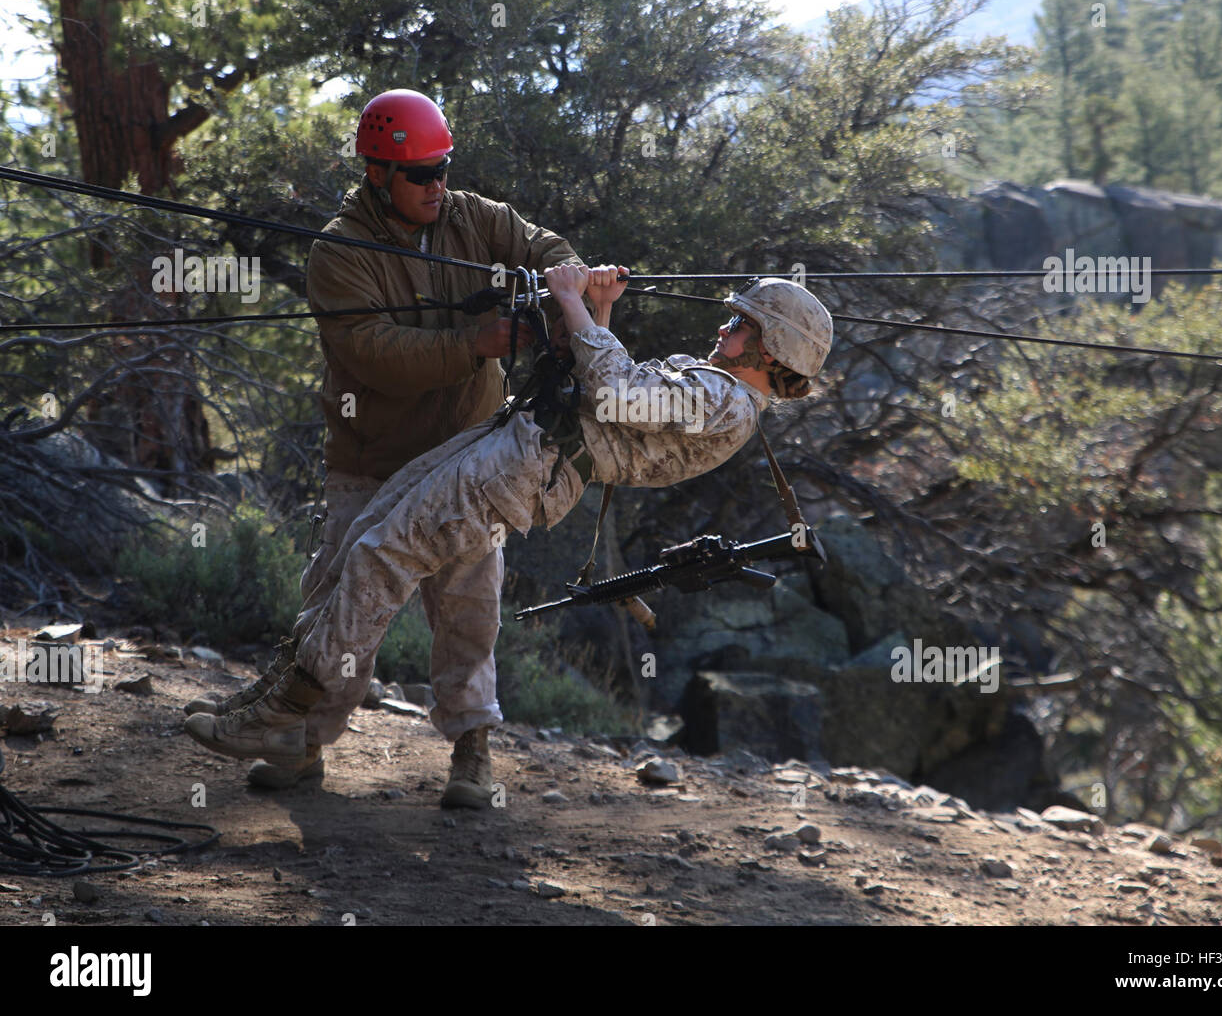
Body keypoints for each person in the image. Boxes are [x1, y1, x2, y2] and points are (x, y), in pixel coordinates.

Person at [184, 265, 834, 809]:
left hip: (527, 467)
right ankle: (283, 704)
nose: (725, 326)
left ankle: (286, 707)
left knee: (380, 556)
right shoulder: (721, 388)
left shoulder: (729, 404)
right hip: (518, 442)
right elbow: (617, 390)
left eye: (741, 323)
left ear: (771, 349)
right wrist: (599, 314)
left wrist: (576, 303)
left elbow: (616, 396)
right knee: (366, 532)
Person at [184, 89, 586, 805]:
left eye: (443, 169)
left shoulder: (473, 216)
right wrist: (475, 344)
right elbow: (373, 352)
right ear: (377, 174)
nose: (438, 186)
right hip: (371, 460)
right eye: (421, 175)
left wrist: (573, 283)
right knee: (341, 601)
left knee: (470, 602)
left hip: (470, 458)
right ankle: (302, 744)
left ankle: (473, 752)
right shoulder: (338, 252)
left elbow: (544, 246)